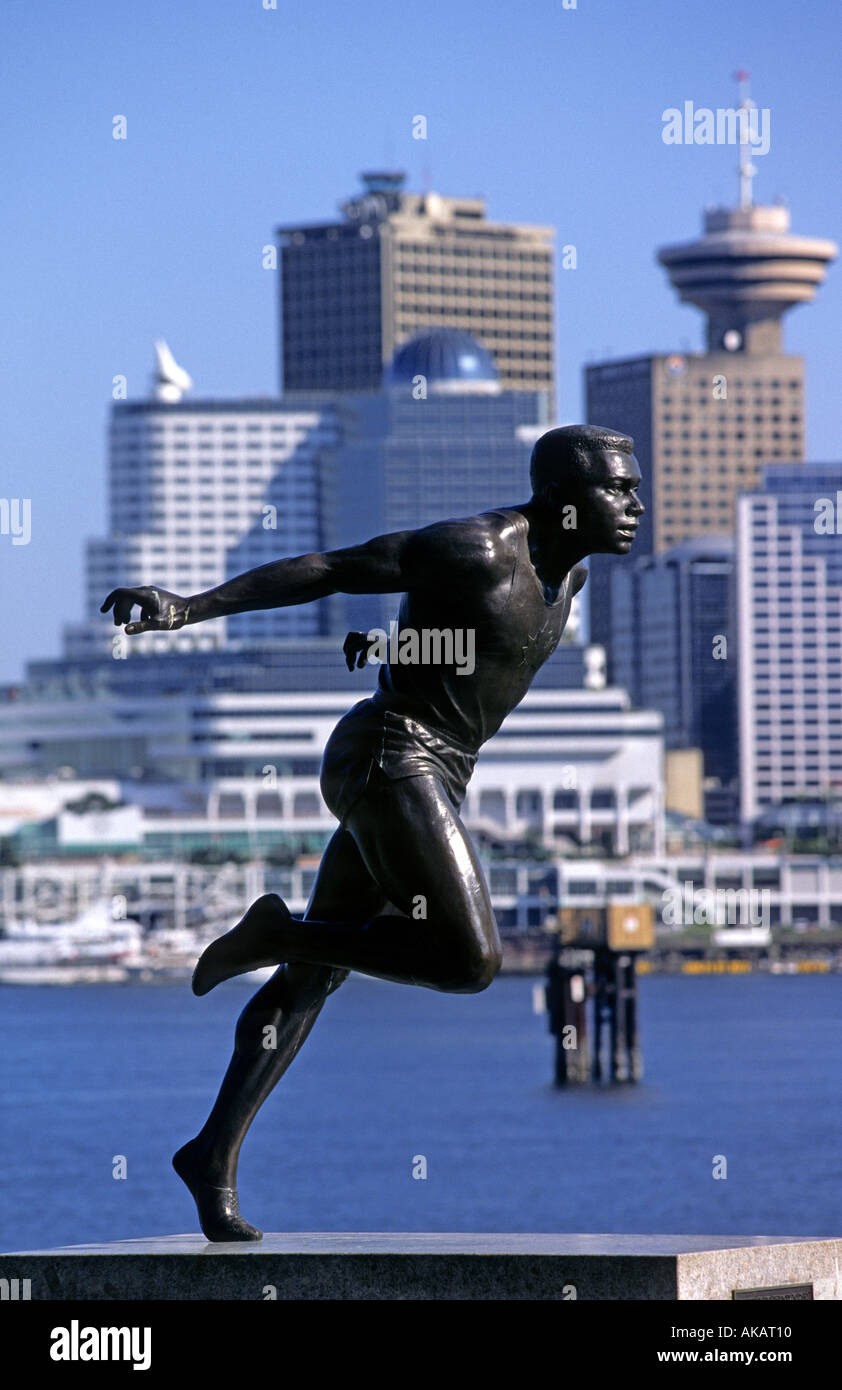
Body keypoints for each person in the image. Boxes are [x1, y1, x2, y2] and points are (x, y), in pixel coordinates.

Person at [101, 423, 643, 1241]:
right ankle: (282, 930)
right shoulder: (478, 549)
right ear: (564, 500)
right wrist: (189, 608)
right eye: (618, 488)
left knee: (309, 982)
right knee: (470, 961)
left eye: (634, 487)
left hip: (436, 771)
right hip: (389, 757)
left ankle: (211, 1154)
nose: (636, 503)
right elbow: (332, 568)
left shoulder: (572, 579)